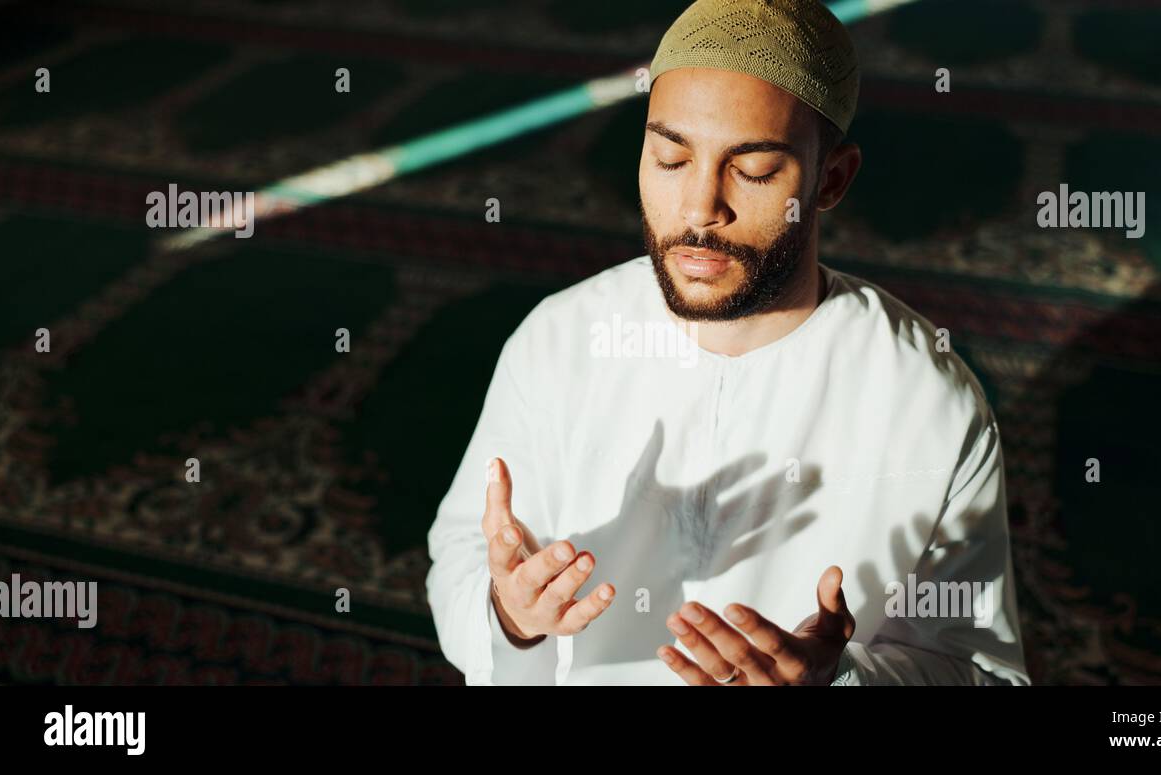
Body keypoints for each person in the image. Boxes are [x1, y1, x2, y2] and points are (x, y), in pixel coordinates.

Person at [426, 0, 1030, 686]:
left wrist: (836, 681)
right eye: (671, 157)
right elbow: (462, 561)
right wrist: (511, 615)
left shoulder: (927, 399)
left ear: (830, 179)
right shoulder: (560, 340)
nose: (699, 208)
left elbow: (980, 670)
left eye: (753, 170)